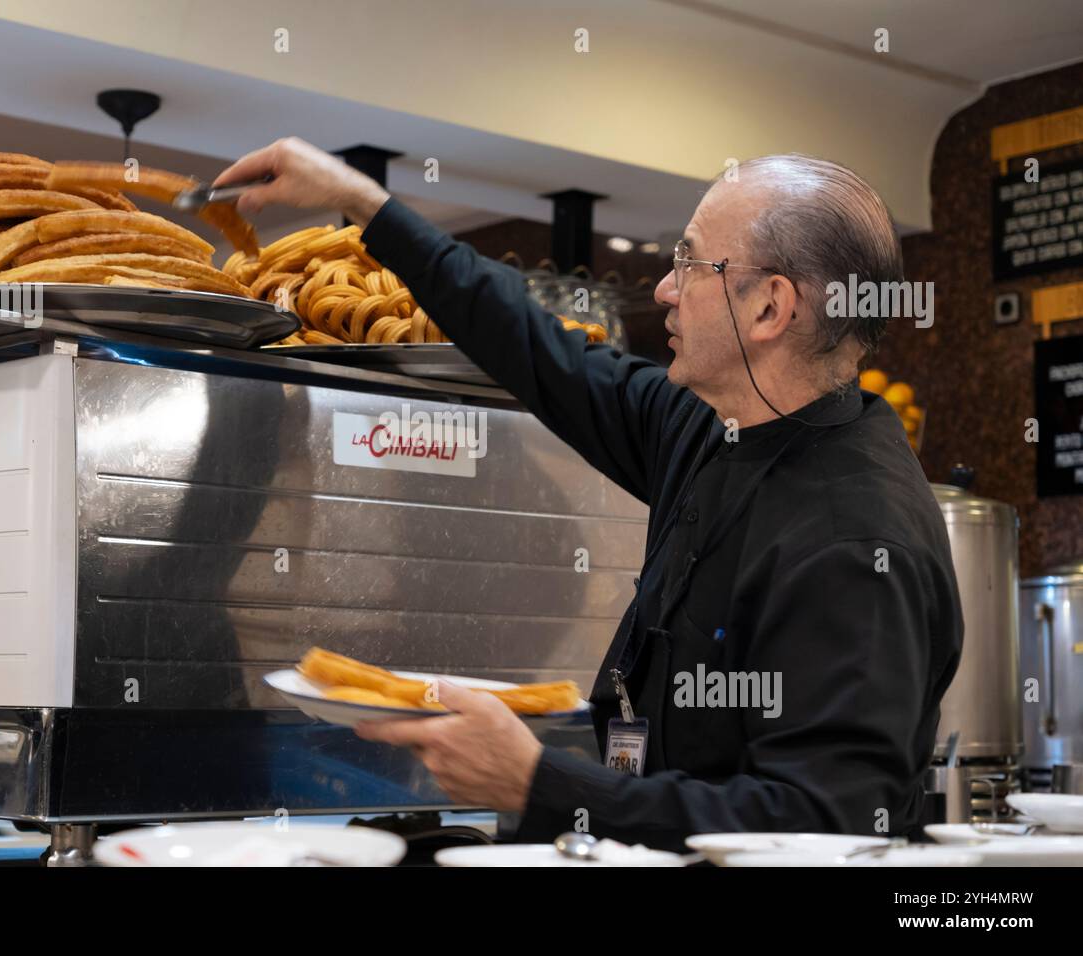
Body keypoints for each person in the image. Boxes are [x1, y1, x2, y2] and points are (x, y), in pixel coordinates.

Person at [214, 139, 963, 849]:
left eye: (689, 263)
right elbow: (537, 346)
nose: (665, 290)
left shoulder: (857, 540)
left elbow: (823, 826)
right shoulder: (708, 425)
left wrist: (540, 782)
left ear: (770, 308)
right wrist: (364, 203)